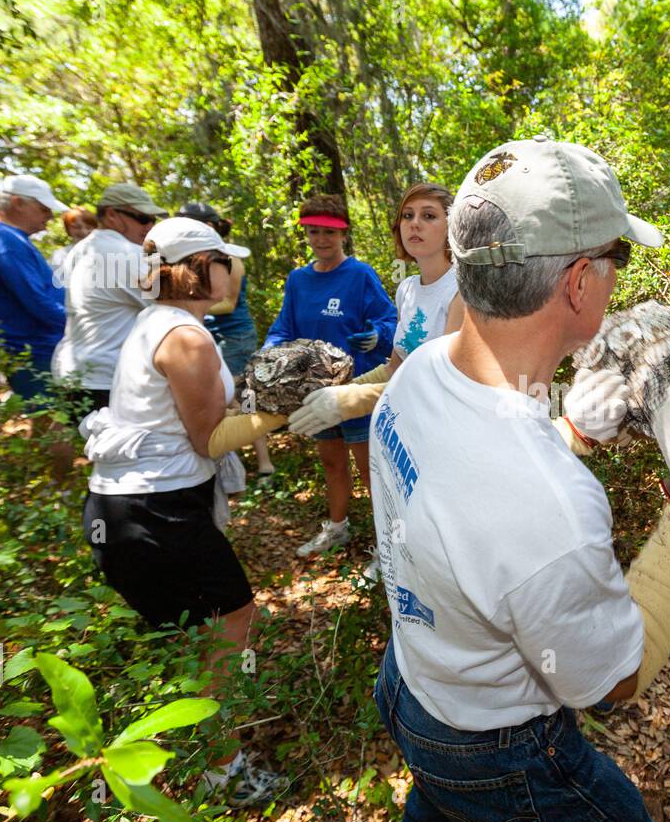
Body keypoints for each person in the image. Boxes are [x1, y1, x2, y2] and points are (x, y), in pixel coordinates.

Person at [364, 136, 670, 822]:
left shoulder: (415, 377)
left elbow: (466, 507)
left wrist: (568, 431)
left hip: (413, 686)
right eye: (615, 260)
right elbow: (612, 683)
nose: (617, 280)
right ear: (577, 282)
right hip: (499, 749)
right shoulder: (551, 506)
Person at [80, 216, 289, 807]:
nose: (233, 271)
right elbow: (211, 439)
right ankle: (224, 770)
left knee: (194, 636)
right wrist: (288, 413)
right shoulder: (186, 337)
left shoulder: (163, 323)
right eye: (225, 260)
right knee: (231, 624)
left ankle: (138, 766)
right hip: (155, 511)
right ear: (201, 266)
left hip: (136, 506)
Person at [287, 182, 461, 575]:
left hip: (441, 426)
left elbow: (442, 376)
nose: (414, 224)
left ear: (453, 227)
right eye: (408, 215)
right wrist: (342, 390)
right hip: (404, 421)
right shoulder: (408, 289)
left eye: (429, 216)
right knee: (396, 495)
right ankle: (394, 557)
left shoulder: (461, 289)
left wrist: (354, 401)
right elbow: (397, 363)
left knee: (435, 513)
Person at [262, 193, 396, 557]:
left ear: (343, 234)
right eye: (314, 232)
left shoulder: (359, 274)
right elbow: (284, 325)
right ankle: (337, 528)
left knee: (370, 471)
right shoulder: (298, 280)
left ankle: (390, 546)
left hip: (354, 391)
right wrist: (271, 349)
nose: (321, 240)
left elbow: (388, 320)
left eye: (329, 233)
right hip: (316, 390)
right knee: (331, 462)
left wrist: (376, 337)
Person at [52, 183, 167, 420]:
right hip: (107, 376)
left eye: (152, 219)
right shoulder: (128, 254)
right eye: (142, 218)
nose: (149, 226)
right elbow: (170, 311)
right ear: (112, 214)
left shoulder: (80, 249)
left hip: (73, 369)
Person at [182, 201, 273, 477]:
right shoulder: (195, 259)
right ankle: (241, 463)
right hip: (208, 334)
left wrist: (188, 305)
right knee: (231, 396)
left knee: (234, 395)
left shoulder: (231, 259)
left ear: (209, 226)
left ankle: (262, 462)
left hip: (235, 335)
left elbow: (229, 303)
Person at [0, 174, 68, 410]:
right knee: (52, 420)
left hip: (32, 345)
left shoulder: (2, 237)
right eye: (43, 209)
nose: (49, 216)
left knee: (53, 416)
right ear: (18, 203)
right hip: (30, 348)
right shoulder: (4, 241)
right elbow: (36, 299)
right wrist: (76, 324)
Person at [49, 207, 97, 277]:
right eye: (77, 227)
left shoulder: (105, 251)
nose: (84, 231)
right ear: (68, 229)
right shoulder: (61, 255)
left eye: (89, 227)